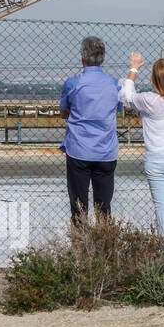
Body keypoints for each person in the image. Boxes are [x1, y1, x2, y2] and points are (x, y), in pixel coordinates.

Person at [119, 18, 164, 251]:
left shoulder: (148, 100)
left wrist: (133, 67)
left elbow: (126, 96)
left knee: (163, 209)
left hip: (158, 161)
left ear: (153, 80)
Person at [60, 36, 122, 222]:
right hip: (105, 151)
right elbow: (115, 109)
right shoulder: (114, 84)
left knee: (78, 207)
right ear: (102, 58)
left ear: (82, 59)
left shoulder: (73, 83)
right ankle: (104, 244)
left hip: (79, 150)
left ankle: (80, 245)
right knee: (104, 207)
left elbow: (64, 112)